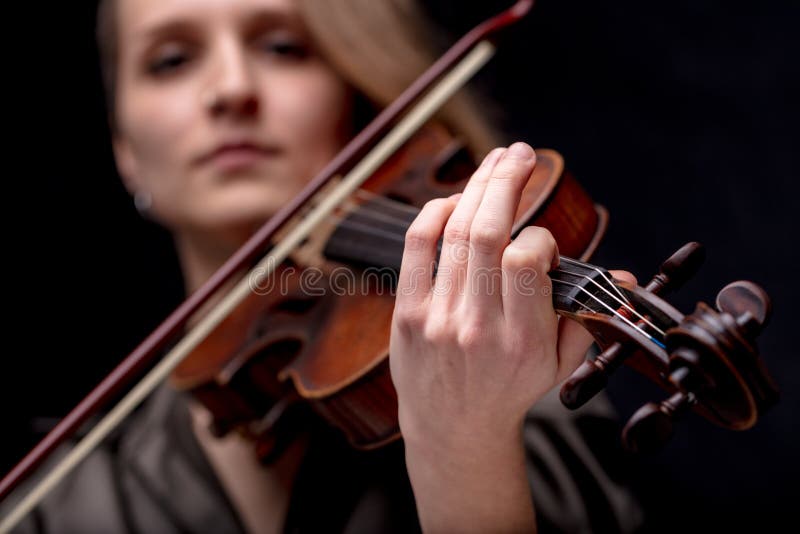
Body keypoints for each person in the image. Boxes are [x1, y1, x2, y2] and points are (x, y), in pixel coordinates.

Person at [3, 0, 644, 532]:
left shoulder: (506, 381)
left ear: (352, 92)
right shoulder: (60, 502)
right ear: (125, 150)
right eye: (171, 60)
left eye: (283, 48)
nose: (232, 89)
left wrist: (465, 450)